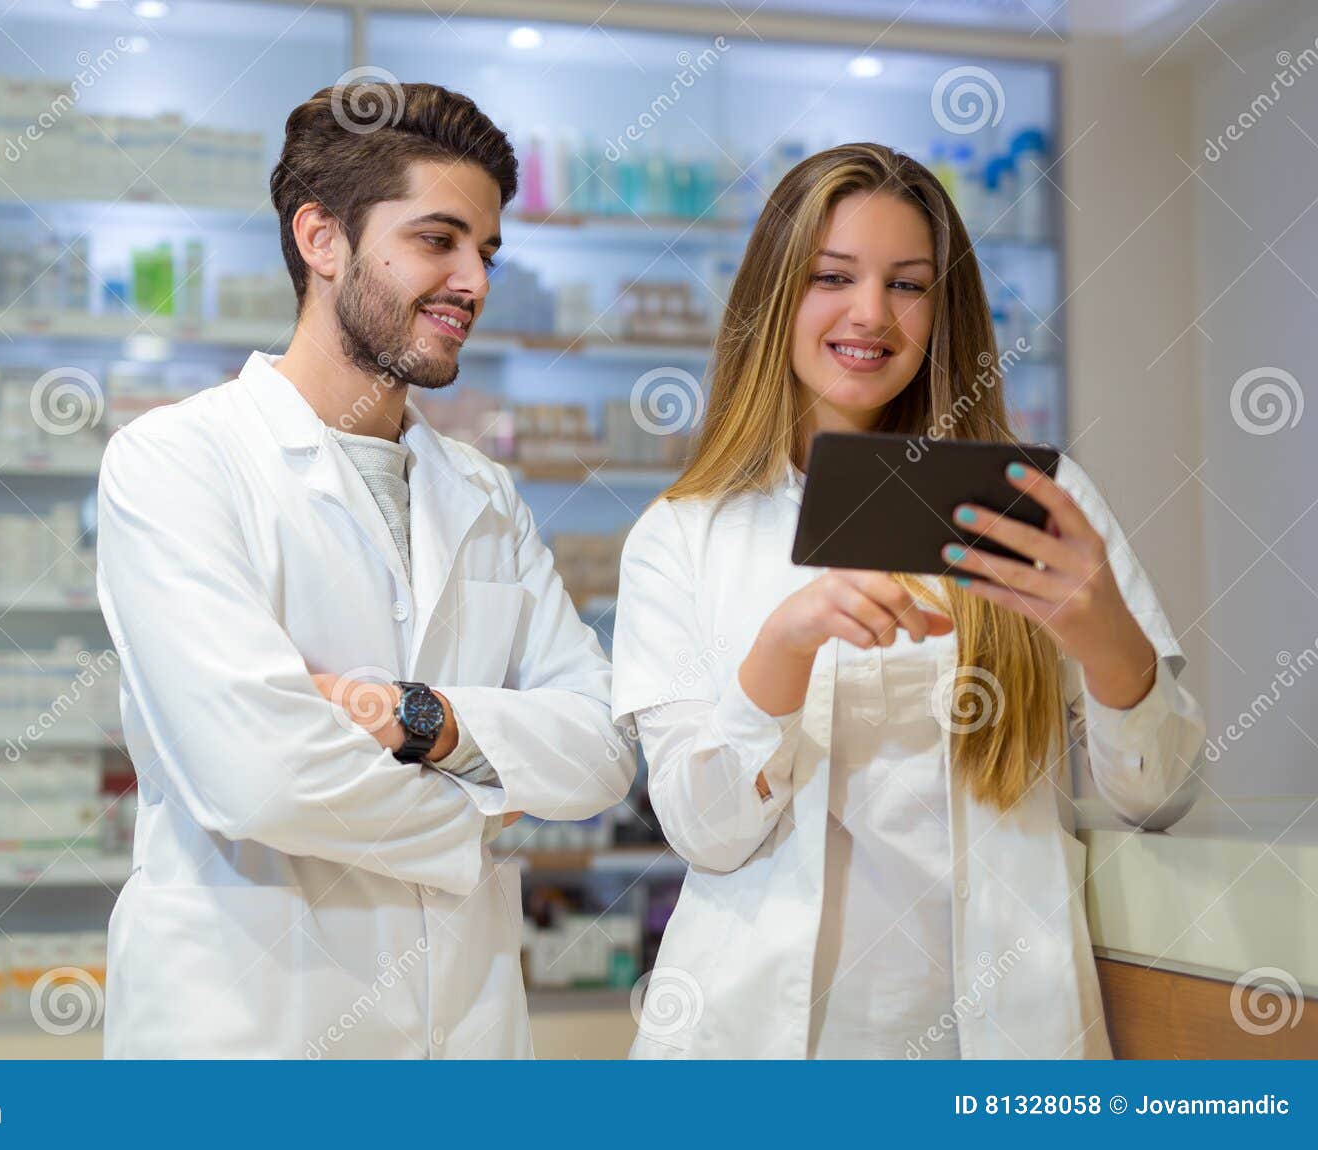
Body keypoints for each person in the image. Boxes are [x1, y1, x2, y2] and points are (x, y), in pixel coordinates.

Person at [612, 142, 1206, 1060]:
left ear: (944, 308)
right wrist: (783, 650)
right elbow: (705, 833)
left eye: (909, 284)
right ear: (775, 296)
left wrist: (1110, 643)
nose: (870, 314)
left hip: (996, 1044)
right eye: (832, 276)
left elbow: (1159, 798)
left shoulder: (1038, 505)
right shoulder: (683, 534)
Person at [97, 81, 632, 1058]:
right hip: (254, 1033)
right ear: (322, 239)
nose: (473, 280)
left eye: (487, 251)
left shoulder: (483, 493)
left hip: (462, 1032)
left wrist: (418, 716)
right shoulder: (176, 461)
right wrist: (490, 791)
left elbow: (599, 745)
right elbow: (262, 778)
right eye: (438, 240)